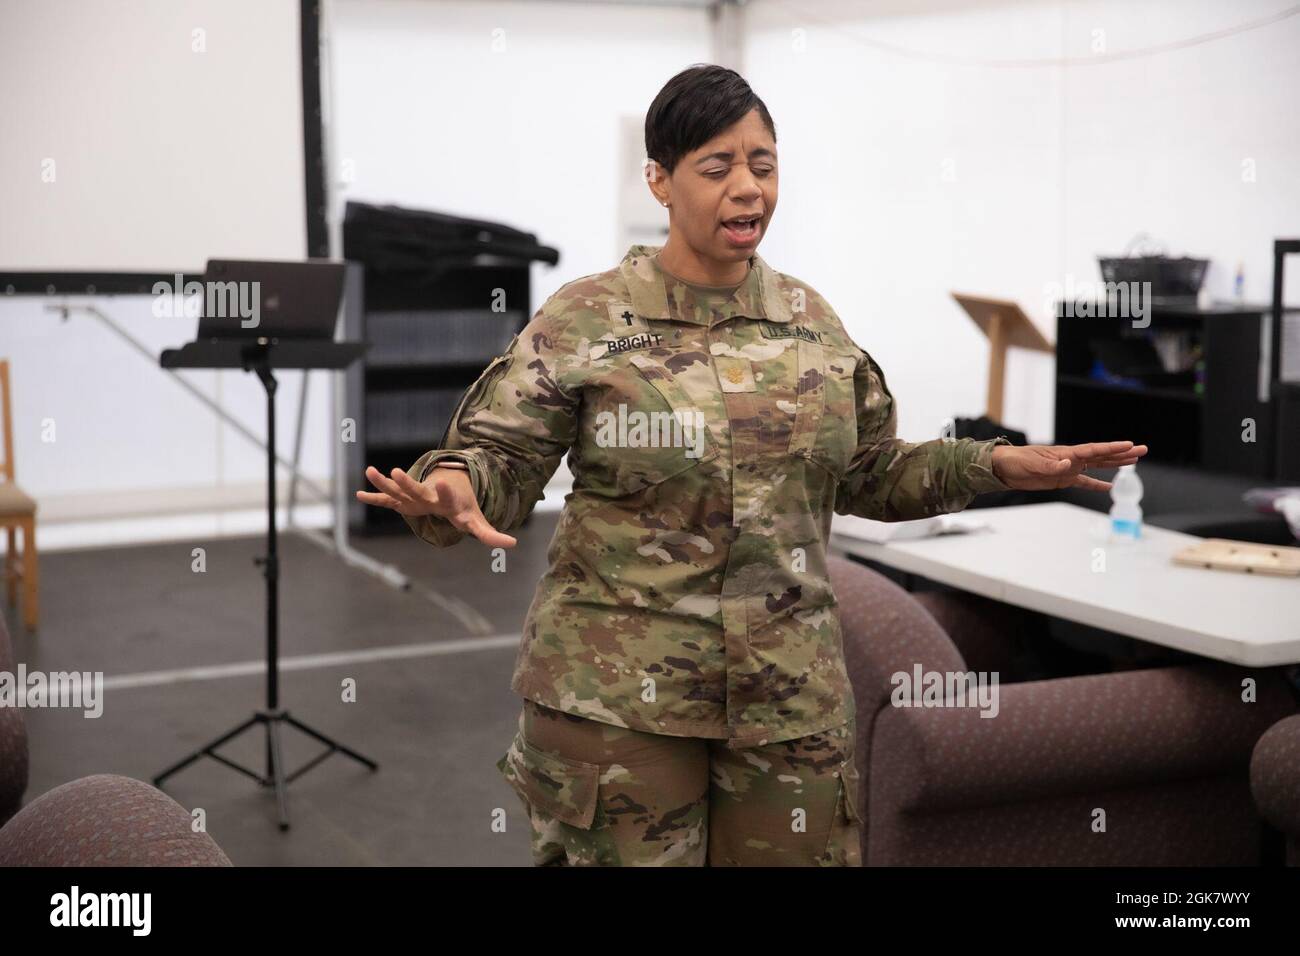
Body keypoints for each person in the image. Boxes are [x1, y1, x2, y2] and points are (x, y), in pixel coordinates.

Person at [357, 64, 1148, 866]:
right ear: (659, 181)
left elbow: (870, 469)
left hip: (788, 696)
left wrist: (999, 466)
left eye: (763, 166)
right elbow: (501, 455)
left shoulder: (810, 320)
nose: (748, 189)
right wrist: (451, 489)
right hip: (621, 700)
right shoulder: (587, 317)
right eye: (718, 167)